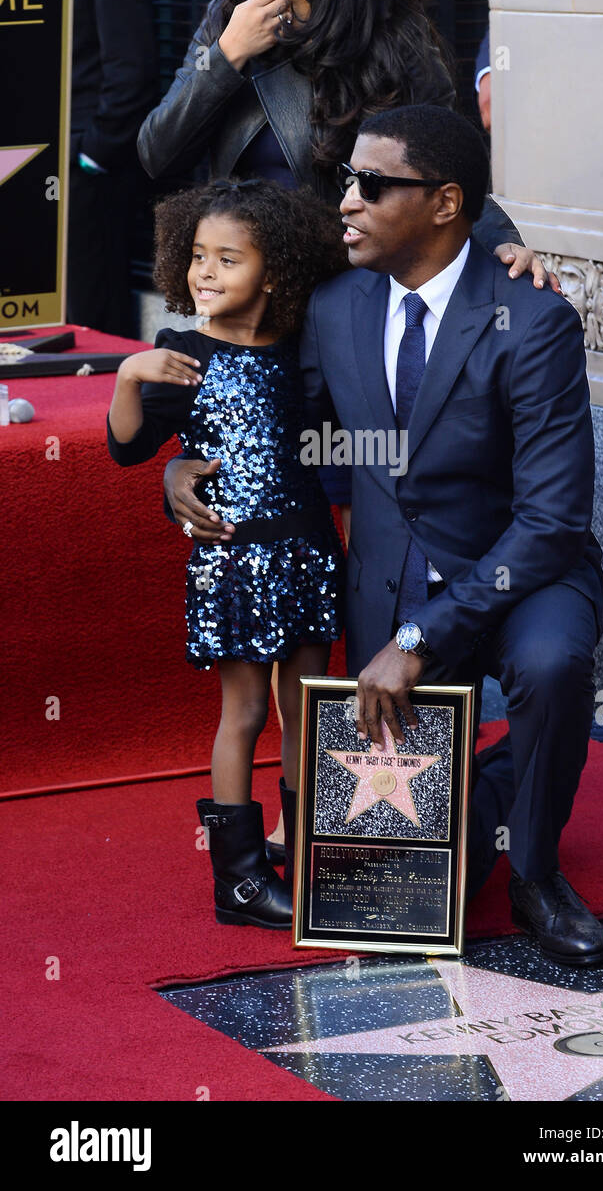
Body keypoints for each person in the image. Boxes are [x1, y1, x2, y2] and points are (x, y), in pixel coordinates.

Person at [165, 105, 603, 967]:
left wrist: (418, 640)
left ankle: (541, 874)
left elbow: (553, 521)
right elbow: (273, 426)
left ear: (446, 204)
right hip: (388, 579)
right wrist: (179, 468)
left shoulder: (534, 318)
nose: (347, 202)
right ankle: (485, 804)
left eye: (373, 186)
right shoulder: (335, 305)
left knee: (554, 667)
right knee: (405, 889)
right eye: (345, 183)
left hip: (522, 576)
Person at [137, 0, 549, 293]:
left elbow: (446, 168)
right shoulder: (227, 19)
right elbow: (158, 152)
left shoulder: (396, 41)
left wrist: (503, 241)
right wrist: (228, 54)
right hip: (247, 296)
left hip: (353, 293)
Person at [106, 179, 346, 929]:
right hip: (233, 562)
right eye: (198, 257)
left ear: (272, 273)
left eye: (228, 260)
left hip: (305, 553)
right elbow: (128, 448)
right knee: (242, 711)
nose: (205, 273)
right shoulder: (181, 354)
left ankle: (305, 852)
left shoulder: (306, 346)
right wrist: (126, 376)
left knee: (306, 707)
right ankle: (237, 883)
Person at [69, 0, 158, 336]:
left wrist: (91, 155)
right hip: (38, 167)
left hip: (83, 172)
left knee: (88, 310)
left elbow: (132, 69)